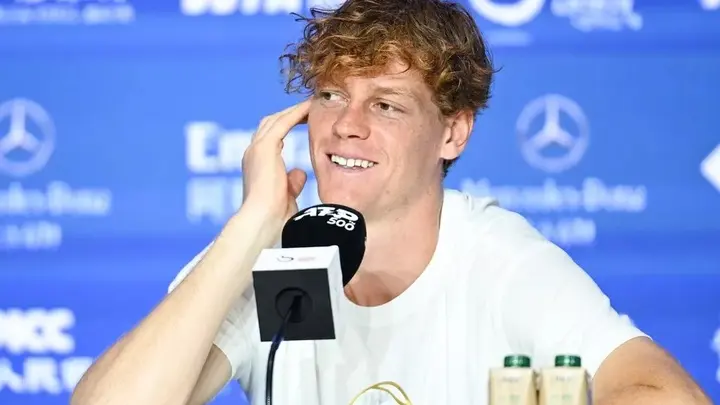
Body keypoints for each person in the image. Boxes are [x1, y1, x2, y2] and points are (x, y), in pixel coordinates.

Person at [71, 1, 712, 404]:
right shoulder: (279, 258)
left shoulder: (493, 257)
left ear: (453, 133)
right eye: (330, 96)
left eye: (385, 104)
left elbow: (664, 393)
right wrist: (250, 227)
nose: (346, 126)